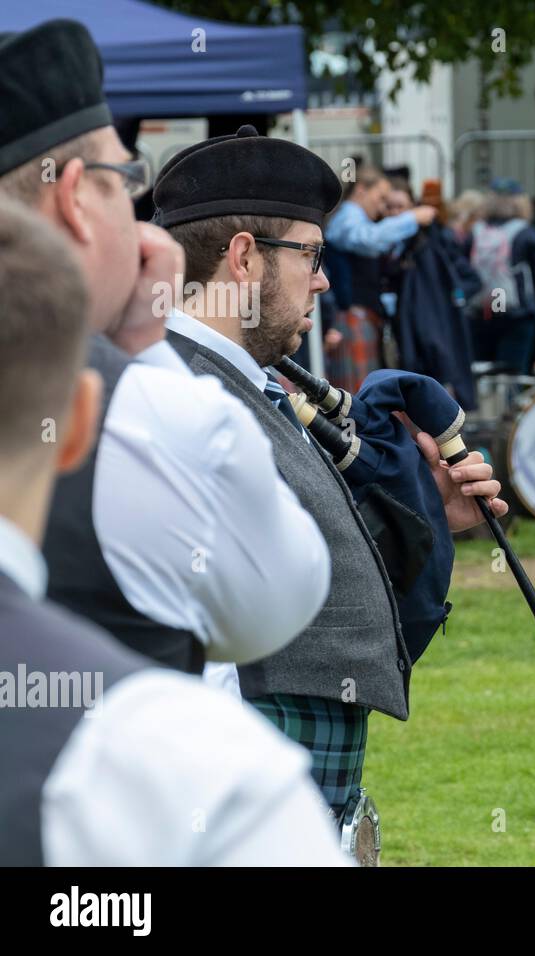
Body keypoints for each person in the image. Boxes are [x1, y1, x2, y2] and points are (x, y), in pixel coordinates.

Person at [151, 125, 507, 823]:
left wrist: (429, 512)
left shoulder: (246, 383)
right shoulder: (178, 394)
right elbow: (180, 631)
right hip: (240, 776)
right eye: (311, 254)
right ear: (245, 259)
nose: (324, 278)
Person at [0, 197, 346, 867]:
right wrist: (145, 358)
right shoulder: (171, 760)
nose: (323, 278)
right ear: (78, 426)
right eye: (311, 255)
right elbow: (287, 594)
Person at [0, 18, 328, 675]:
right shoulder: (155, 410)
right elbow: (286, 597)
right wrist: (145, 354)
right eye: (124, 182)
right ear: (76, 200)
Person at [324, 164, 438, 391]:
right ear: (361, 190)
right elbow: (369, 239)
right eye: (381, 196)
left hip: (361, 315)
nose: (383, 204)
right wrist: (411, 219)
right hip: (351, 316)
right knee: (355, 392)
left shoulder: (354, 217)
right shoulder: (348, 217)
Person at [468, 179, 535, 375]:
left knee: (482, 374)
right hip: (516, 314)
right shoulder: (525, 232)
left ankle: (485, 407)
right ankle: (509, 405)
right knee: (512, 374)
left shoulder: (476, 230)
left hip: (481, 311)